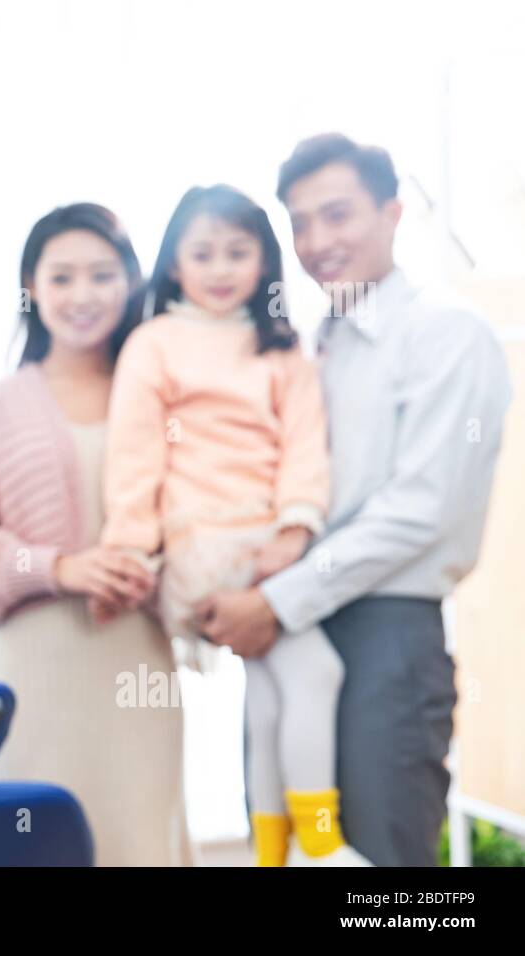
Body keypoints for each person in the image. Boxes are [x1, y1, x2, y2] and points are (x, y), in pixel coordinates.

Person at [197, 133, 514, 866]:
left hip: (385, 642)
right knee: (285, 853)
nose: (315, 242)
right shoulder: (313, 344)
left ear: (393, 212)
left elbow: (422, 509)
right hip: (288, 634)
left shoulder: (446, 333)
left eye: (336, 215)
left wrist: (274, 601)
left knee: (381, 881)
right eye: (299, 223)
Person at [100, 184, 370, 866]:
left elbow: (306, 446)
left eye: (238, 252)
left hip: (267, 544)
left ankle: (272, 848)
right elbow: (135, 453)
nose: (221, 269)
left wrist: (294, 528)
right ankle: (320, 837)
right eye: (204, 253)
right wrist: (130, 549)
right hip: (204, 549)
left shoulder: (281, 349)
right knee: (317, 674)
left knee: (272, 692)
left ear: (263, 261)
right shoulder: (155, 343)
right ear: (174, 265)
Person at [0, 203, 195, 866]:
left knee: (140, 841)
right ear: (31, 287)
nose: (83, 294)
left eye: (102, 275)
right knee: (43, 845)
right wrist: (57, 566)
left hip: (139, 663)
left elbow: (214, 512)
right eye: (62, 276)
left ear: (131, 282)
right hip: (38, 673)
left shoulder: (170, 398)